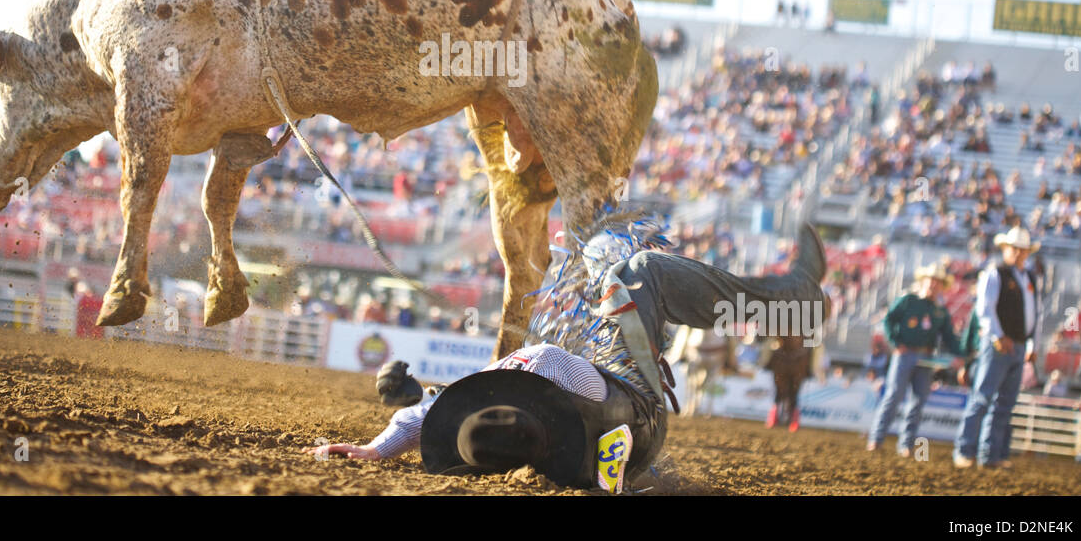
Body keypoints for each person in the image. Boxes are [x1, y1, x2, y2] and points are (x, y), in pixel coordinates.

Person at [305, 222, 829, 490]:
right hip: (636, 405)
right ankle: (790, 301)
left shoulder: (516, 452)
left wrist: (377, 450)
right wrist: (401, 427)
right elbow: (443, 405)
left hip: (616, 449)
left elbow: (428, 414)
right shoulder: (544, 364)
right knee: (639, 272)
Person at [953, 227, 1041, 469]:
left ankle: (990, 455)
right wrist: (999, 336)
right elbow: (985, 309)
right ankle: (965, 450)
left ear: (1026, 252)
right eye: (1014, 249)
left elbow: (1036, 314)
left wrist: (1032, 343)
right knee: (983, 398)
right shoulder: (995, 273)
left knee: (1004, 403)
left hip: (1019, 345)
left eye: (1022, 250)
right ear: (1006, 249)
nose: (1018, 253)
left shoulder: (1030, 278)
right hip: (998, 344)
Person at [866, 263, 964, 457]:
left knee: (918, 401)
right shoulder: (908, 300)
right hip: (904, 354)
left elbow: (949, 337)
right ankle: (876, 438)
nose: (934, 285)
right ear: (924, 281)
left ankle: (907, 444)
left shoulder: (940, 311)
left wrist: (960, 355)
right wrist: (895, 342)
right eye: (931, 280)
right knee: (893, 396)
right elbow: (888, 320)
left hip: (926, 358)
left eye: (938, 282)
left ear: (941, 286)